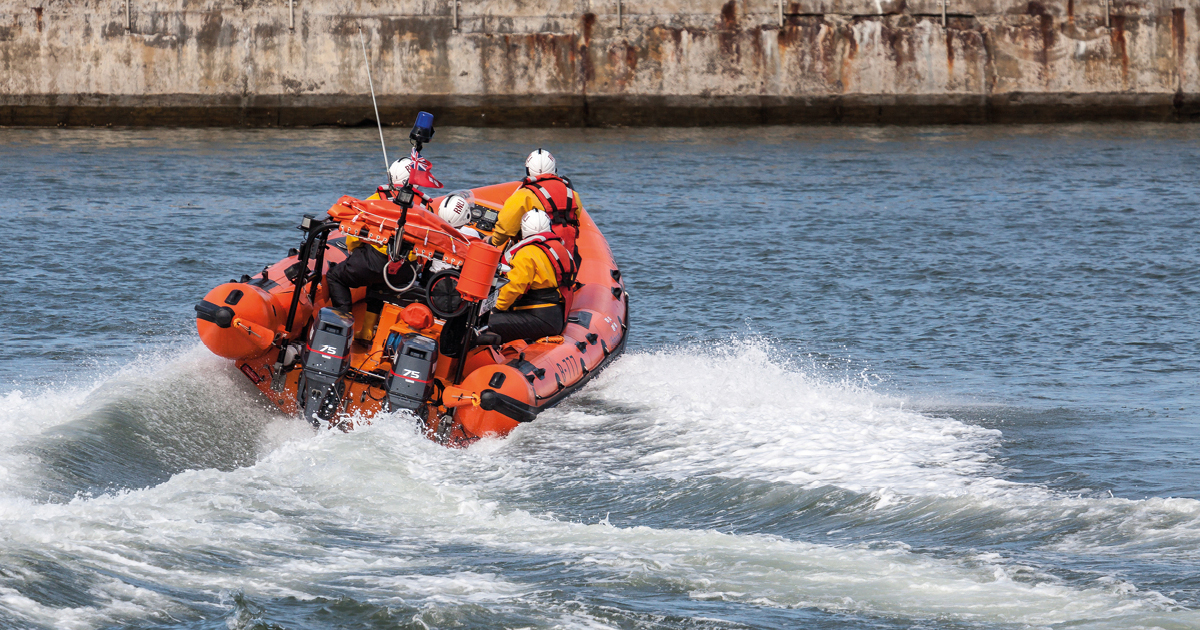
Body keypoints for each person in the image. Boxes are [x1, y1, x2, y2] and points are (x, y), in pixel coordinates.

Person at [485, 210, 576, 344]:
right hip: (557, 316)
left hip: (536, 317)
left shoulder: (525, 254)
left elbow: (513, 287)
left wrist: (495, 309)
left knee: (480, 324)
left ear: (523, 230)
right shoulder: (561, 250)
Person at [490, 149, 581, 253]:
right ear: (554, 169)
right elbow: (575, 217)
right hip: (566, 253)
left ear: (528, 170)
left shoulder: (524, 195)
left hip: (534, 254)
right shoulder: (572, 194)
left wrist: (493, 240)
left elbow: (506, 227)